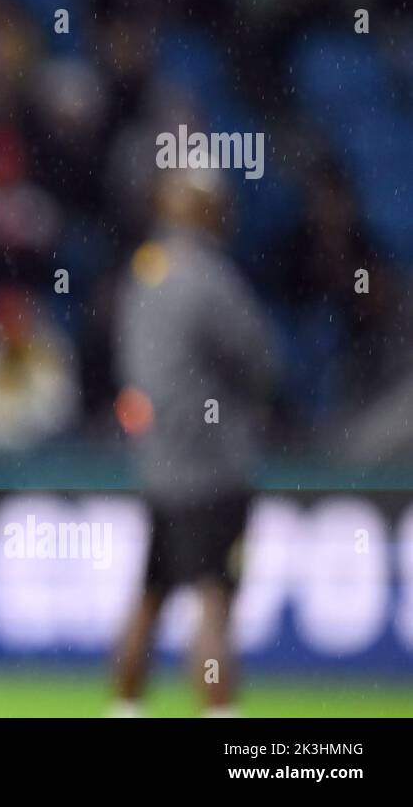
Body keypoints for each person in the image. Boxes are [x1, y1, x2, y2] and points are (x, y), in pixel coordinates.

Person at [110, 164, 279, 717]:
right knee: (214, 601)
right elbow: (259, 361)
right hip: (213, 467)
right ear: (209, 212)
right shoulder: (210, 277)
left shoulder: (145, 272)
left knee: (150, 596)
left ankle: (124, 709)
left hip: (160, 464)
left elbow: (132, 363)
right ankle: (222, 718)